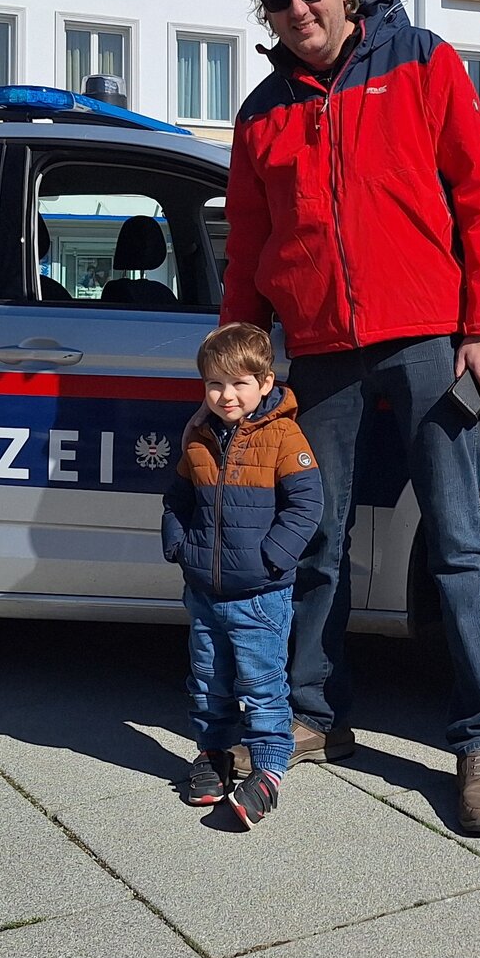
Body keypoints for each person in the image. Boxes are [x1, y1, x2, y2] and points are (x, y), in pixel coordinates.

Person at [220, 0, 480, 836]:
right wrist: (243, 358)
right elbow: (248, 247)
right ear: (266, 14)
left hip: (428, 338)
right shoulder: (262, 112)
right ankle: (315, 714)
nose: (301, 8)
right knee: (315, 539)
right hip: (317, 352)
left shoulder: (422, 62)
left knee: (462, 541)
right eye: (280, 0)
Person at [162, 323, 323, 828]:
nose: (225, 395)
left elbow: (307, 505)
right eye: (214, 384)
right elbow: (178, 501)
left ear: (265, 382)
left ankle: (270, 771)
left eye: (239, 384)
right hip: (205, 592)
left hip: (260, 595)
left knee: (261, 685)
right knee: (208, 681)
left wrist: (270, 559)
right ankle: (212, 755)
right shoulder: (199, 437)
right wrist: (178, 546)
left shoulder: (283, 435)